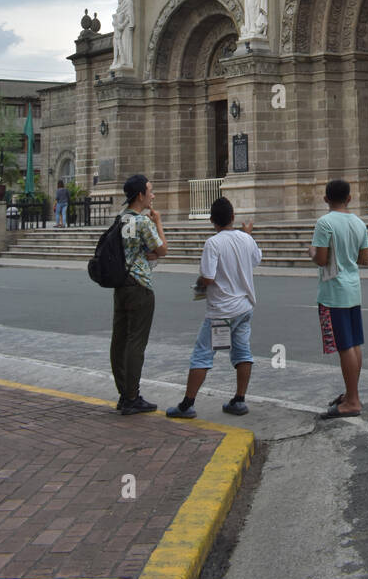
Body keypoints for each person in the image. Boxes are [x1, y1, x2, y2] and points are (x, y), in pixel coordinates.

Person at [167, 197, 261, 419]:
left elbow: (208, 278)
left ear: (212, 220)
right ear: (233, 218)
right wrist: (247, 234)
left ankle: (187, 403)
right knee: (242, 351)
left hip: (222, 310)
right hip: (244, 307)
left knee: (202, 354)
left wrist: (199, 284)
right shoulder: (246, 239)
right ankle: (239, 399)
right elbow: (255, 259)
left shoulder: (213, 243)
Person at [311, 179, 368, 419]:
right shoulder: (359, 222)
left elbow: (322, 259)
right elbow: (364, 259)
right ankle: (351, 393)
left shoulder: (324, 223)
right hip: (353, 288)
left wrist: (311, 252)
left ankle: (352, 400)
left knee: (344, 346)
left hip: (333, 292)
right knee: (354, 343)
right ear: (349, 198)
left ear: (326, 199)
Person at [111, 174, 168, 415]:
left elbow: (135, 249)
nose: (153, 195)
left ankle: (124, 393)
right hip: (140, 285)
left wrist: (148, 253)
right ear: (140, 195)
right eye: (150, 191)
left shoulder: (121, 219)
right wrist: (158, 222)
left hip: (122, 284)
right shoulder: (143, 222)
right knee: (136, 342)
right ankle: (133, 396)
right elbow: (162, 250)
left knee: (120, 340)